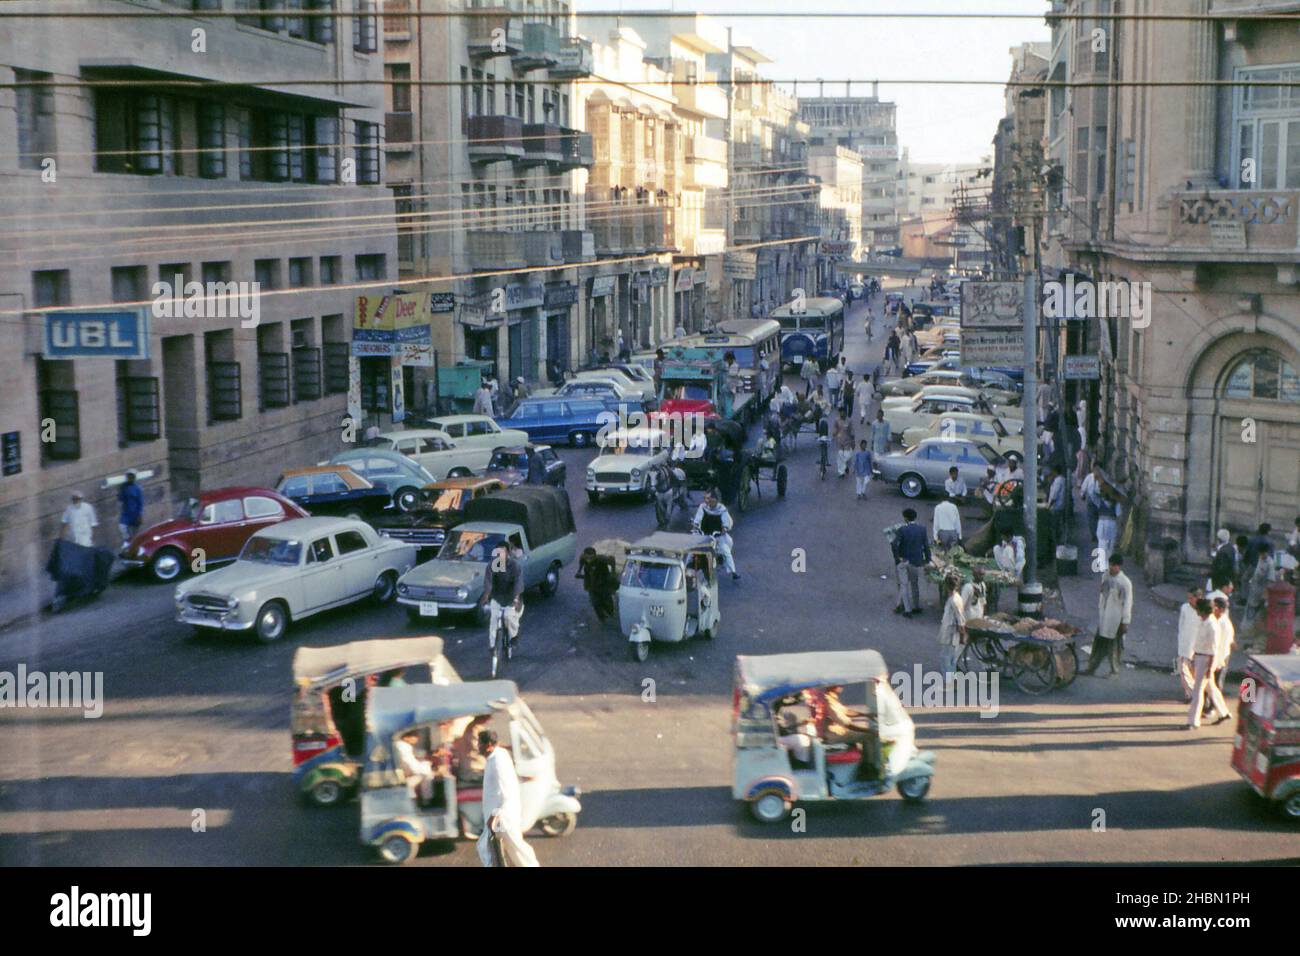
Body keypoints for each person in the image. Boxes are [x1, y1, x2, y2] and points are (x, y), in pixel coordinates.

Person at [476, 729, 540, 867]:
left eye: (479, 743)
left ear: (488, 745)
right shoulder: (498, 755)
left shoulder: (497, 762)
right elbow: (510, 778)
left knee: (518, 851)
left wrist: (494, 815)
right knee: (490, 850)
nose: (477, 746)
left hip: (503, 819)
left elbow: (507, 793)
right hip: (498, 818)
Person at [1083, 554, 1132, 677]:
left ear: (1119, 566)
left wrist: (1125, 621)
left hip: (1116, 620)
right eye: (1110, 564)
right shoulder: (1106, 576)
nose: (1111, 567)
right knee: (1098, 644)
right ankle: (1091, 668)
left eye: (1113, 565)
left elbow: (1128, 603)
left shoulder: (1125, 582)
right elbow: (1102, 593)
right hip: (1104, 617)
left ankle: (1114, 671)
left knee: (1113, 647)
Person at [1186, 599, 1230, 730]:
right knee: (1211, 688)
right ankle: (1224, 712)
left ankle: (1193, 721)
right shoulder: (1203, 622)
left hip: (1206, 660)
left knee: (1198, 690)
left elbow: (1213, 650)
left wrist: (1210, 668)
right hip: (1200, 657)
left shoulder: (1212, 626)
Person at [479, 542, 524, 653]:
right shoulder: (493, 565)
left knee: (509, 617)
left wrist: (516, 598)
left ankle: (514, 637)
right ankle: (492, 645)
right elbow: (488, 581)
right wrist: (486, 595)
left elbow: (518, 583)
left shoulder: (515, 566)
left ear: (508, 552)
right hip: (497, 596)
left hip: (511, 597)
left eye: (503, 551)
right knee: (493, 620)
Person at [891, 508, 931, 617]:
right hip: (916, 561)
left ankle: (907, 609)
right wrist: (927, 560)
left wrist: (897, 558)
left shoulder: (902, 530)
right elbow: (926, 546)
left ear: (905, 518)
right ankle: (916, 606)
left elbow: (894, 544)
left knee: (904, 585)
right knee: (915, 583)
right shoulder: (922, 529)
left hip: (904, 560)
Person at [693, 490, 738, 580]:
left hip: (717, 536)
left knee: (726, 552)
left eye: (712, 500)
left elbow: (726, 522)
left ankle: (733, 572)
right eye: (708, 500)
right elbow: (697, 519)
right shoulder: (703, 507)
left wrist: (724, 529)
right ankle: (688, 567)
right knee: (692, 550)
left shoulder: (722, 509)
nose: (710, 502)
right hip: (704, 535)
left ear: (716, 500)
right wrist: (696, 525)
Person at [394, 729, 438, 803]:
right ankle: (427, 801)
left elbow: (418, 755)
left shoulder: (400, 745)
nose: (417, 738)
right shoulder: (404, 747)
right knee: (427, 774)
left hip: (399, 774)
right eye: (414, 736)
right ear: (406, 738)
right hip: (402, 777)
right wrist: (428, 767)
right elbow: (413, 767)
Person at [1175, 585, 1203, 702]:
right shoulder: (1185, 608)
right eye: (1188, 598)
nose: (1189, 600)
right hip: (1185, 645)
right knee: (1182, 670)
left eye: (1192, 598)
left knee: (1193, 673)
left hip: (1198, 646)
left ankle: (1193, 694)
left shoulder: (1204, 610)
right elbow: (1181, 625)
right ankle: (1190, 693)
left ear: (1199, 598)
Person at [938, 572, 967, 677]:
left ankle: (949, 682)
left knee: (946, 658)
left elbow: (960, 620)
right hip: (949, 632)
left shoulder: (954, 600)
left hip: (951, 633)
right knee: (950, 658)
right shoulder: (954, 598)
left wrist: (962, 637)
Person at [1242, 547, 1277, 632]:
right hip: (1253, 590)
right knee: (1249, 612)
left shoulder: (1270, 563)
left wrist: (1265, 594)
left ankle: (1255, 631)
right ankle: (1247, 630)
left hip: (1262, 593)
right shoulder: (1257, 560)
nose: (1262, 555)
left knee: (1259, 614)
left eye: (1263, 553)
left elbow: (1270, 580)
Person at [1210, 596, 1236, 705]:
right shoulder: (1214, 619)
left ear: (1220, 609)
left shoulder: (1224, 624)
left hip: (1220, 658)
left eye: (1214, 606)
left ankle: (1214, 706)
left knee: (1216, 683)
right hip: (1213, 656)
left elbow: (1223, 646)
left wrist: (1218, 662)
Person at [117, 472, 144, 547]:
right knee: (122, 527)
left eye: (131, 477)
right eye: (128, 476)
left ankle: (134, 547)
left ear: (134, 478)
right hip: (126, 513)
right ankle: (127, 540)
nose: (130, 478)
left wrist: (140, 515)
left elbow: (140, 503)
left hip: (135, 514)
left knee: (135, 534)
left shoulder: (138, 489)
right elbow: (120, 499)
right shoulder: (124, 487)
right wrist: (120, 491)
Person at [1096, 490, 1121, 564]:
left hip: (1102, 522)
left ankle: (1101, 562)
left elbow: (1092, 495)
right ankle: (1109, 561)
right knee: (1111, 544)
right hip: (1112, 522)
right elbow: (1118, 514)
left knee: (1101, 542)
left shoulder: (1100, 501)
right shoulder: (1116, 502)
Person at [1046, 466, 1068, 545]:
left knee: (1054, 526)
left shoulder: (1059, 481)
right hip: (1059, 506)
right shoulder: (1061, 479)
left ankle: (1056, 543)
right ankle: (1057, 542)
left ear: (1055, 471)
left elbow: (1054, 495)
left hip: (1056, 507)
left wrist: (1048, 506)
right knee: (1057, 526)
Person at [833, 414, 855, 478]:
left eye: (843, 412)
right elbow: (835, 429)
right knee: (840, 456)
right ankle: (841, 472)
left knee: (848, 456)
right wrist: (834, 433)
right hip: (839, 442)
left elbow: (852, 431)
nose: (842, 413)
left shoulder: (849, 421)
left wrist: (853, 441)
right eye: (841, 412)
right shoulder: (837, 420)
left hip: (848, 442)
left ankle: (846, 466)